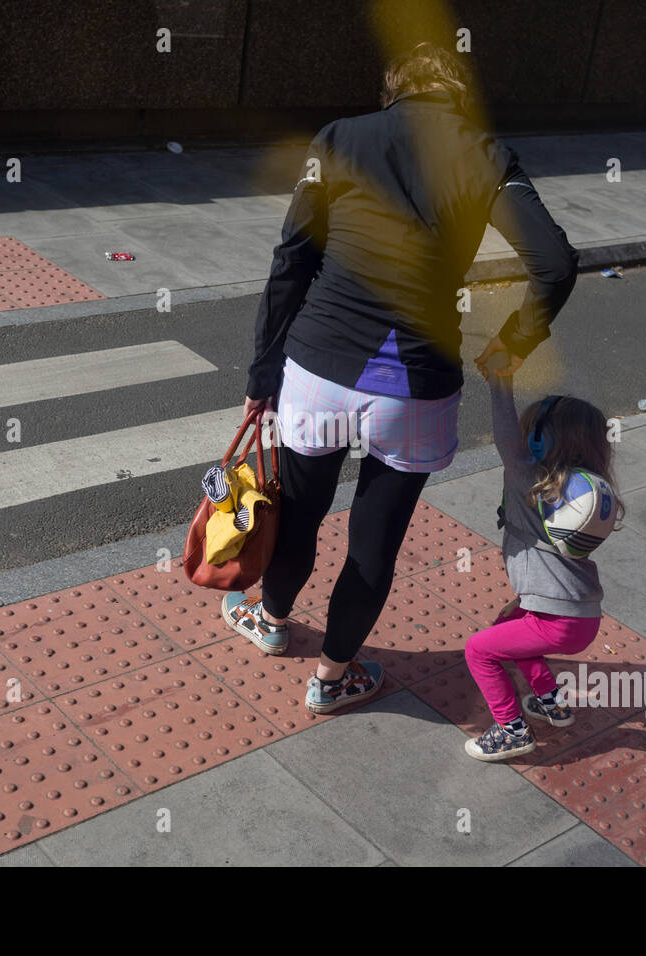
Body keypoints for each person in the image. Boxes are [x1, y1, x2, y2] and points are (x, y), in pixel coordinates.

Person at [220, 42, 579, 714]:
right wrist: (511, 344)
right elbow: (556, 265)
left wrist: (264, 368)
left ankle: (269, 621)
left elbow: (291, 259)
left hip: (320, 365)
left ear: (395, 90)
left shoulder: (340, 138)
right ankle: (331, 679)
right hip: (416, 384)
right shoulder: (485, 154)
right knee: (374, 543)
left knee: (299, 513)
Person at [460, 367, 621, 760]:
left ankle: (511, 730)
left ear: (537, 440)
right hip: (581, 612)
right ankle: (551, 702)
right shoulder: (583, 486)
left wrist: (500, 381)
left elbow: (505, 439)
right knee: (508, 630)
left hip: (559, 622)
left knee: (479, 651)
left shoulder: (528, 480)